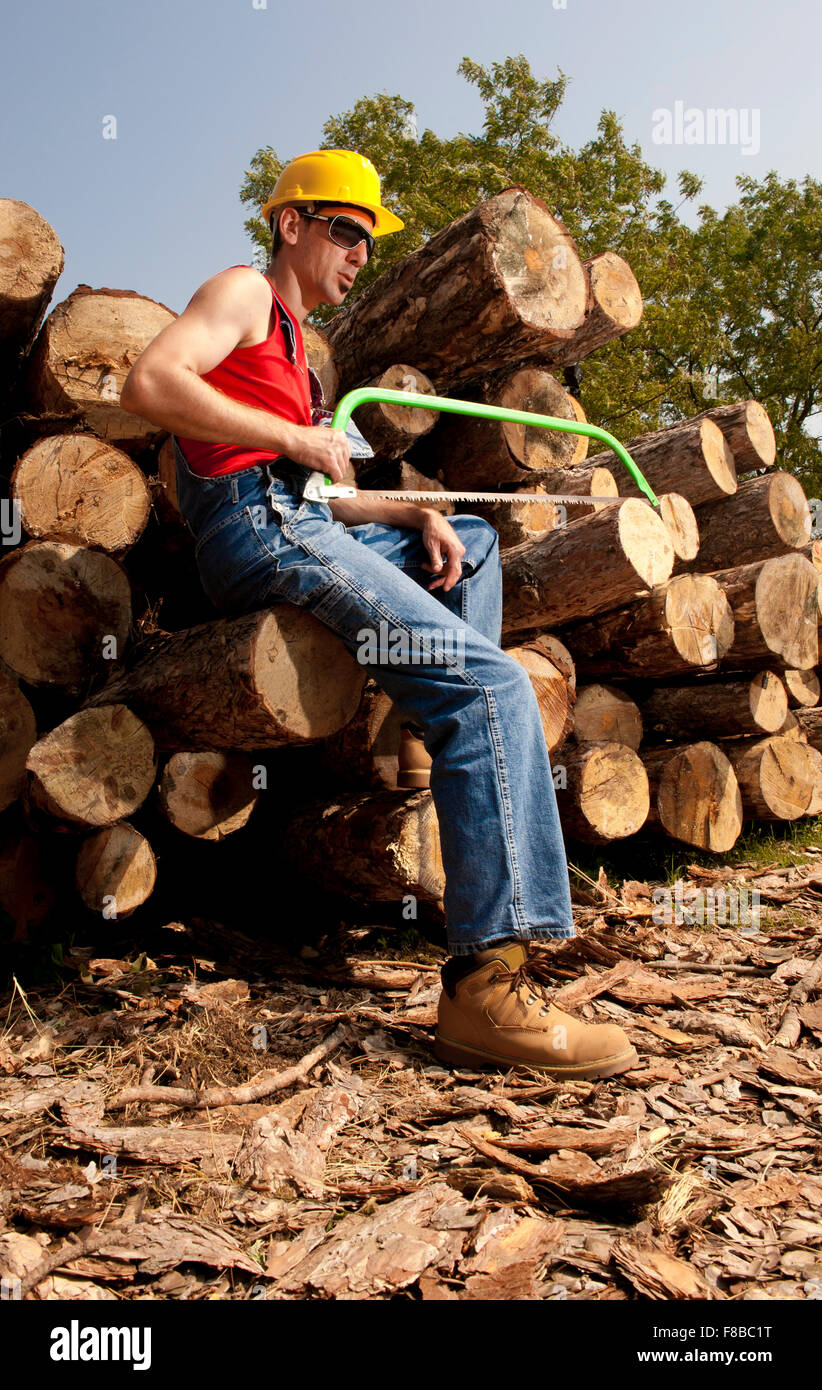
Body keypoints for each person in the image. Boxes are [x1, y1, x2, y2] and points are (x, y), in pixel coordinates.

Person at [120, 148, 638, 1080]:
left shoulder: (304, 358)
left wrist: (410, 509)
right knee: (493, 693)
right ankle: (487, 987)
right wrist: (290, 437)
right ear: (292, 225)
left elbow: (327, 493)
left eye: (368, 239)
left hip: (301, 517)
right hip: (256, 532)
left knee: (471, 546)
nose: (360, 253)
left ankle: (422, 727)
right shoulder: (243, 293)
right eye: (346, 231)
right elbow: (149, 383)